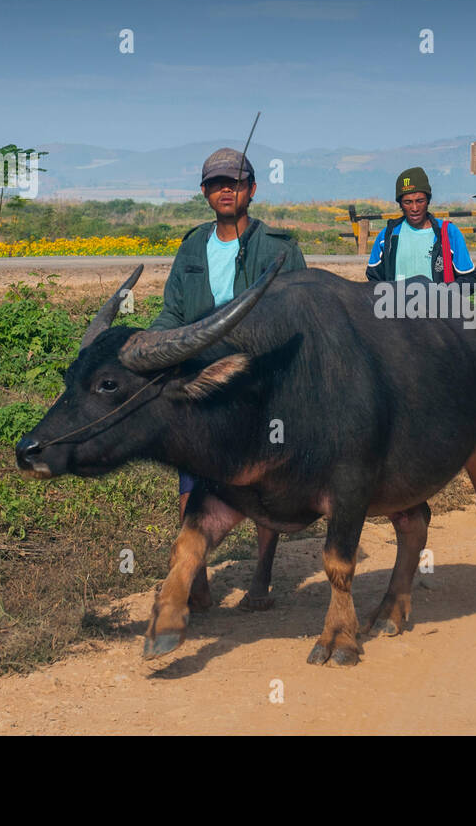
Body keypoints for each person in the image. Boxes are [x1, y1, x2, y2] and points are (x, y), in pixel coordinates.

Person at [148, 146, 306, 611]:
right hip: (202, 382)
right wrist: (147, 348)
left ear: (252, 190)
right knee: (191, 474)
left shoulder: (280, 247)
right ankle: (194, 579)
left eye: (235, 183)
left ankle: (261, 576)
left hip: (261, 381)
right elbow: (172, 313)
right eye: (217, 183)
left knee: (264, 478)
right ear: (204, 192)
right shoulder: (192, 245)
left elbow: (302, 315)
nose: (226, 190)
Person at [365, 167, 476, 284]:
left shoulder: (448, 233)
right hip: (397, 302)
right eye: (408, 202)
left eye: (420, 201)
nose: (414, 208)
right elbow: (374, 278)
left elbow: (470, 279)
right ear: (400, 203)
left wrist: (441, 295)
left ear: (428, 200)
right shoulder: (387, 236)